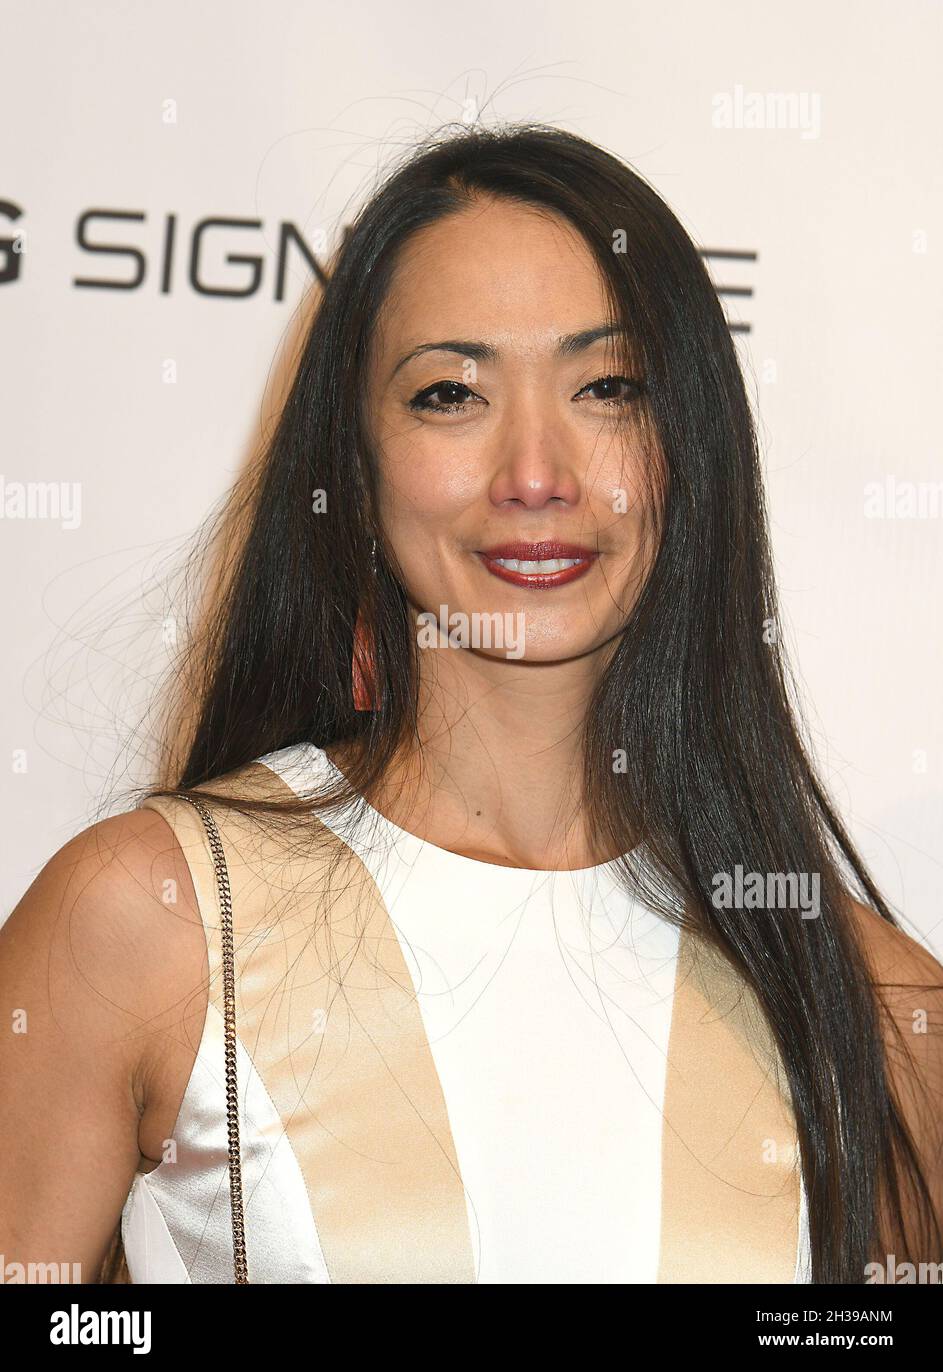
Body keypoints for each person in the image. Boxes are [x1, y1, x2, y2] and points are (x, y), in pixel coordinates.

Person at [2, 123, 941, 1286]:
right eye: (450, 393)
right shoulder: (150, 919)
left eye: (607, 387)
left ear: (687, 445)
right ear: (352, 459)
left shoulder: (875, 1008)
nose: (534, 472)